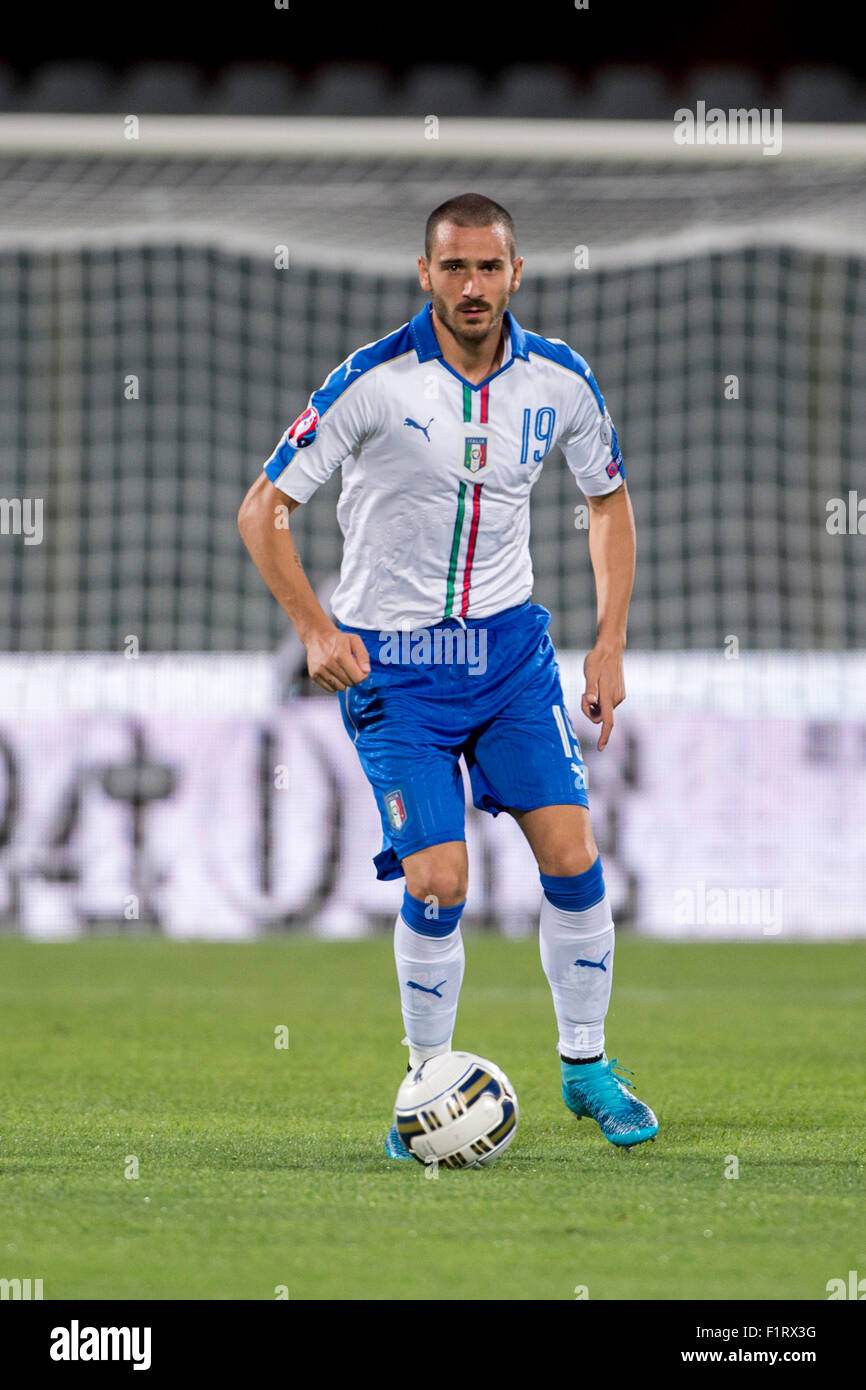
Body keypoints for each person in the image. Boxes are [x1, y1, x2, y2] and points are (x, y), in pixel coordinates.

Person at [238, 192, 658, 1154]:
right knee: (438, 878)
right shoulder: (371, 383)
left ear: (518, 274)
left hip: (509, 656)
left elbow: (608, 503)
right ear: (425, 275)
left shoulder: (561, 382)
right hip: (398, 668)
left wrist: (608, 641)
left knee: (572, 856)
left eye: (489, 268)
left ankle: (588, 1069)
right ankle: (424, 1088)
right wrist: (313, 628)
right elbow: (262, 509)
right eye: (454, 268)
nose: (473, 286)